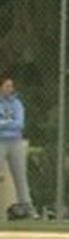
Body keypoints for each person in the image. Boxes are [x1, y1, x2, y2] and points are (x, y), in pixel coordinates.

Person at [0, 76, 35, 219]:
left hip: (16, 141)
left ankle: (27, 209)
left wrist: (3, 124)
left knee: (20, 176)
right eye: (7, 86)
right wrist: (9, 123)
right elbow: (13, 124)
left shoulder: (17, 104)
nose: (10, 89)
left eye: (11, 86)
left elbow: (19, 124)